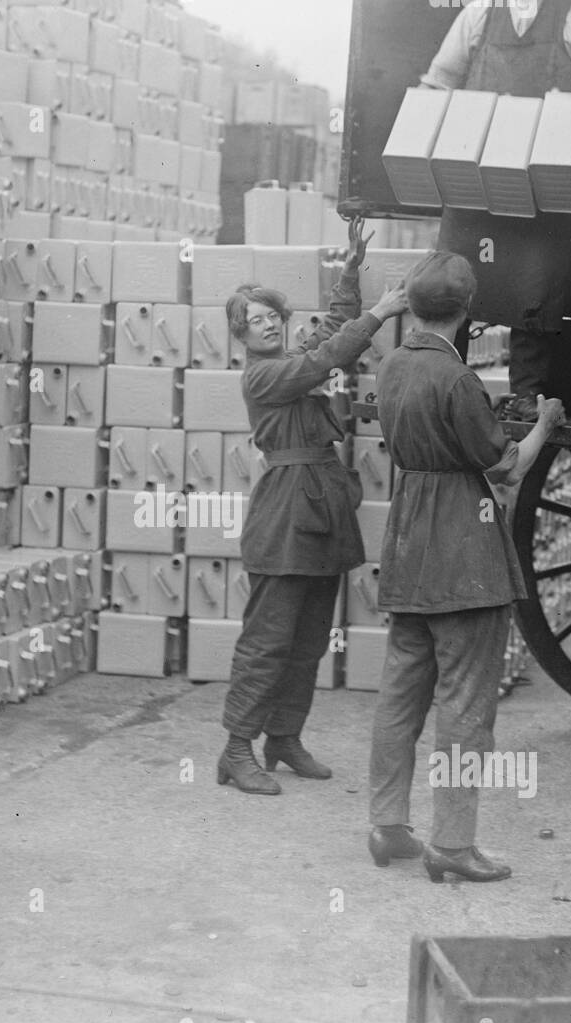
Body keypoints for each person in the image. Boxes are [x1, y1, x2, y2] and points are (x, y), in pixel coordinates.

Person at [367, 250, 565, 880]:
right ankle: (452, 844)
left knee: (400, 694)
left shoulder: (393, 365)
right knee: (465, 705)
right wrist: (546, 426)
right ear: (468, 313)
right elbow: (506, 467)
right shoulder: (460, 381)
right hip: (464, 550)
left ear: (414, 304)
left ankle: (387, 824)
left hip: (408, 544)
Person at [218, 217, 412, 796]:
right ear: (242, 335)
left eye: (273, 315)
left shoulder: (288, 357)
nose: (269, 325)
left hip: (322, 503)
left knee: (308, 638)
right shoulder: (264, 377)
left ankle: (283, 738)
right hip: (285, 514)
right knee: (267, 639)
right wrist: (378, 315)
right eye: (255, 321)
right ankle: (236, 749)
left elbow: (329, 329)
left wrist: (350, 274)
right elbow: (323, 359)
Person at [420, 0, 571, 421]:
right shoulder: (477, 15)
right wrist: (426, 141)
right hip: (472, 178)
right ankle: (443, 385)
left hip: (540, 186)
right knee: (452, 280)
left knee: (536, 288)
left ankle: (527, 395)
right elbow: (439, 81)